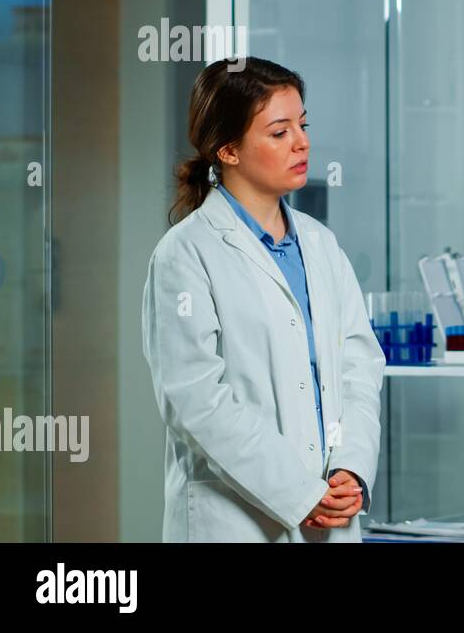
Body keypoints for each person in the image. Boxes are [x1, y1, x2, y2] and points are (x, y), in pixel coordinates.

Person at [142, 57, 384, 542]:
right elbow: (195, 401)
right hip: (234, 523)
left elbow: (360, 368)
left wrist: (351, 470)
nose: (302, 142)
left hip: (330, 515)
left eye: (303, 124)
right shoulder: (186, 254)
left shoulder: (320, 246)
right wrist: (298, 492)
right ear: (228, 150)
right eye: (279, 132)